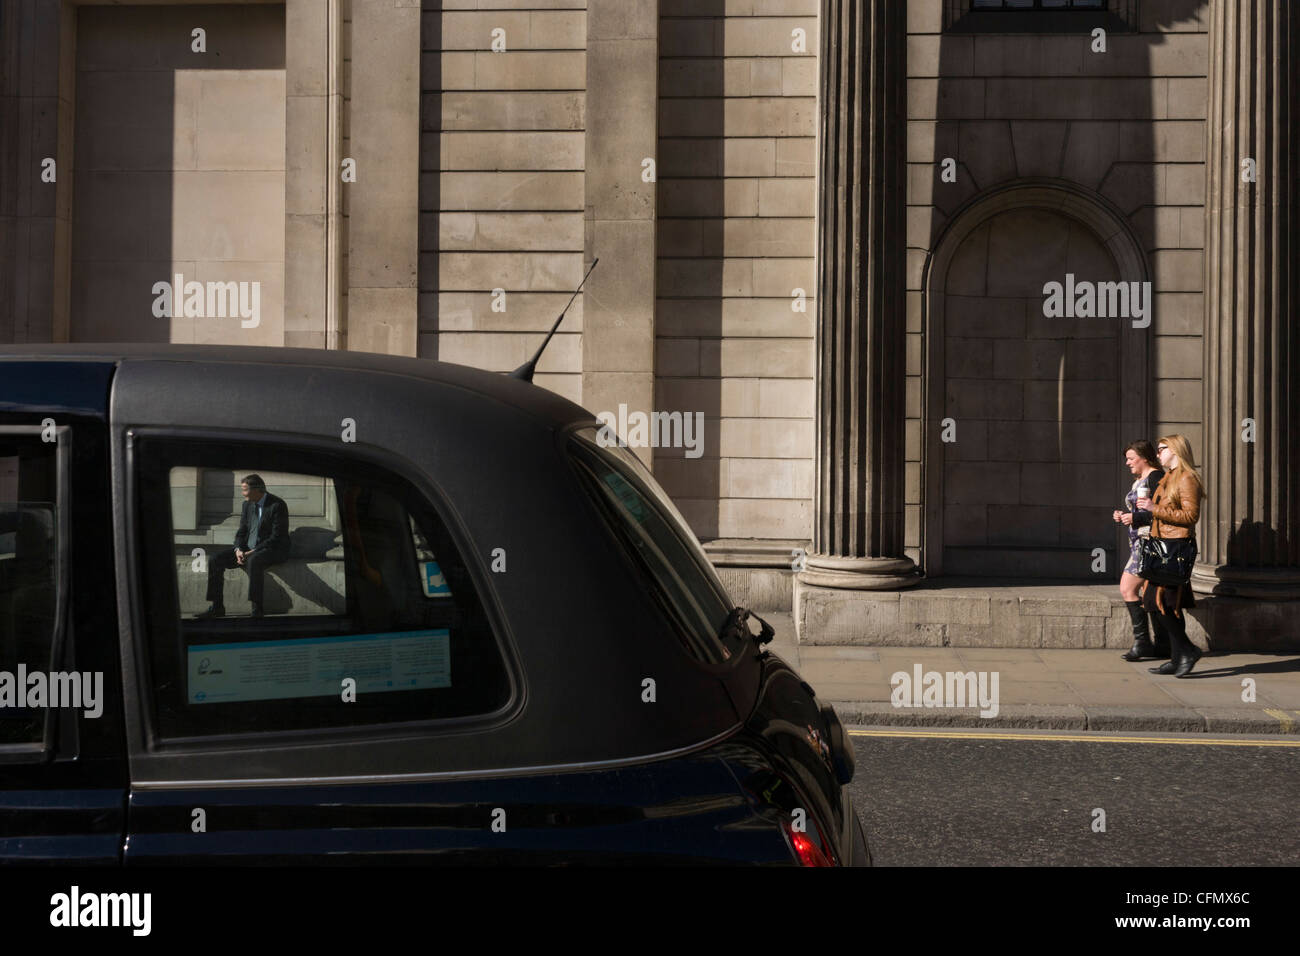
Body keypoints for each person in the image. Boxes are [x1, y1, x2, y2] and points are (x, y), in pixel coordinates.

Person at [1134, 435, 1205, 677]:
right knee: (1160, 603)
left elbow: (1190, 516)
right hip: (1162, 546)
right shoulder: (1168, 478)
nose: (1159, 453)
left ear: (1175, 451)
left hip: (1175, 549)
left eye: (1162, 449)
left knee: (1162, 602)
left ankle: (1186, 650)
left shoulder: (1187, 478)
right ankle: (1178, 657)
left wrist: (1155, 509)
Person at [197, 474, 290, 618]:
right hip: (247, 549)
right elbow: (242, 531)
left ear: (257, 490)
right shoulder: (247, 504)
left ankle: (257, 609)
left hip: (272, 550)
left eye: (245, 490)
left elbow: (277, 537)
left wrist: (251, 552)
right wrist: (238, 549)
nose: (242, 493)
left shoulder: (277, 505)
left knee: (254, 560)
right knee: (215, 559)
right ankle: (217, 607)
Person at [1112, 440, 1166, 661]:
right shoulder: (1140, 480)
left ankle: (1143, 642)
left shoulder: (1155, 478)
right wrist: (1125, 516)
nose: (1127, 462)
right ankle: (1163, 644)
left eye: (1131, 458)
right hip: (1138, 542)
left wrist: (1134, 517)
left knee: (1127, 588)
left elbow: (1159, 512)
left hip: (1149, 543)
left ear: (1145, 457)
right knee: (1150, 594)